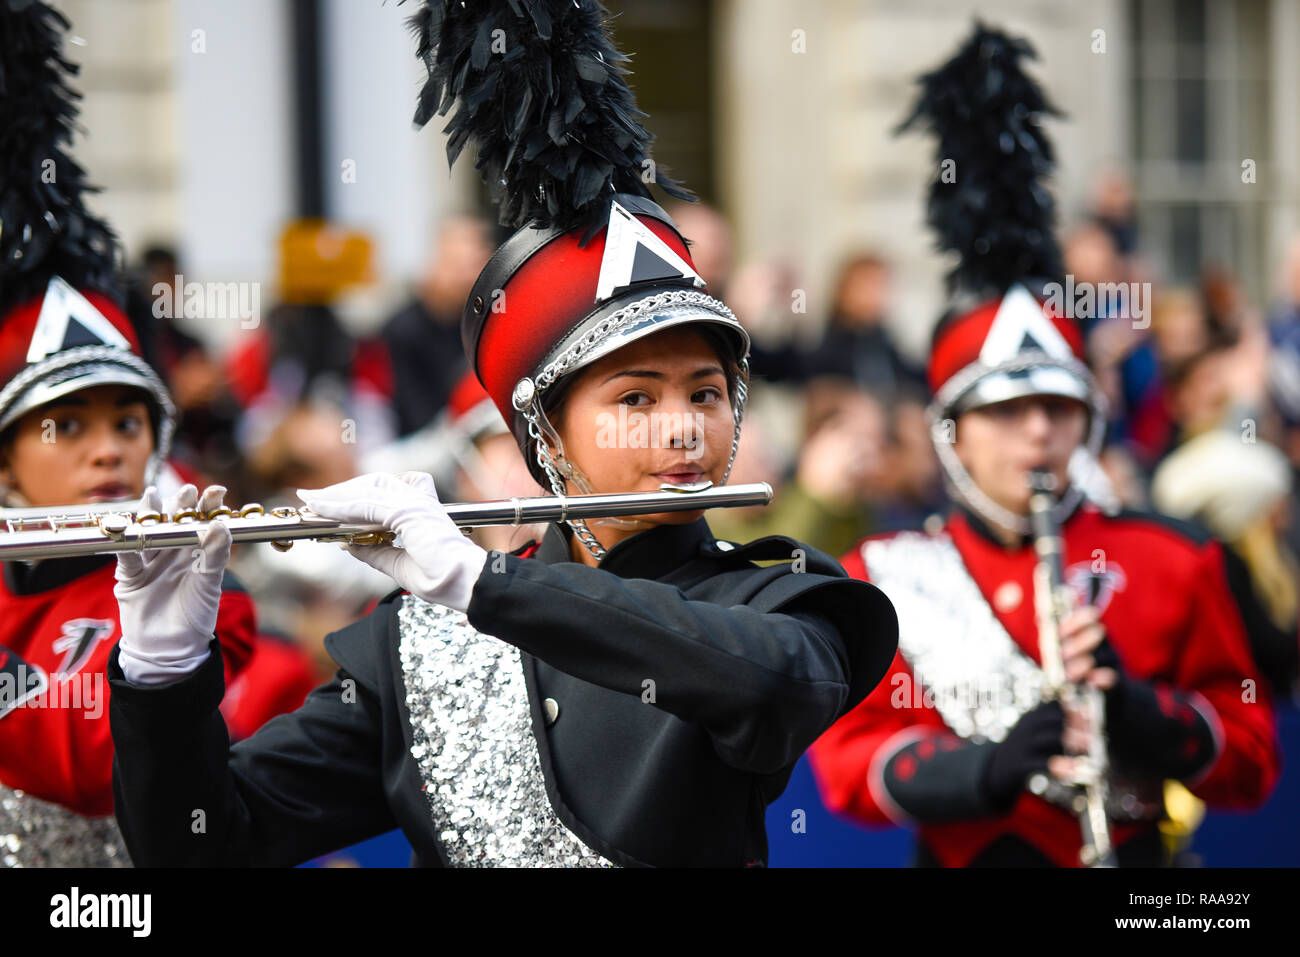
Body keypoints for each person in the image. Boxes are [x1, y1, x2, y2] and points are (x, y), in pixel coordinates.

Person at [105, 0, 898, 868]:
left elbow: (774, 683)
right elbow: (202, 846)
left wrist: (479, 583)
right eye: (634, 399)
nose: (684, 425)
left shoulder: (777, 601)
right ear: (544, 435)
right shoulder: (419, 641)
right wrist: (164, 669)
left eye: (706, 392)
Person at [806, 23, 1278, 867]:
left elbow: (1252, 759)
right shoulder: (881, 573)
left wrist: (1142, 713)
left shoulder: (1174, 559)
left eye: (1059, 408)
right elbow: (846, 764)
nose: (1038, 431)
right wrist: (981, 771)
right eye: (1008, 411)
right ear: (951, 434)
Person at [0, 0, 256, 866]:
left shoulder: (200, 597)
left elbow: (89, 767)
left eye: (127, 420)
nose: (107, 449)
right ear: (5, 458)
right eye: (64, 425)